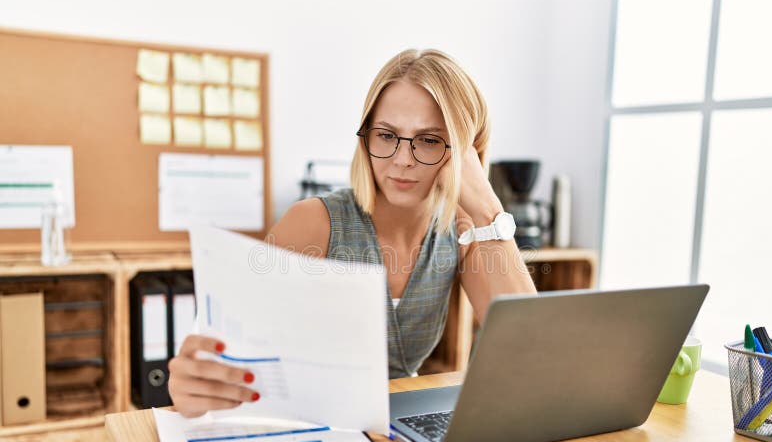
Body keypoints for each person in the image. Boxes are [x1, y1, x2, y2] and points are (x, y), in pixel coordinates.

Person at [168, 49, 537, 417]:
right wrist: (191, 382)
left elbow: (530, 346)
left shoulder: (465, 232)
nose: (402, 159)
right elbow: (218, 353)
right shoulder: (315, 223)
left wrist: (489, 210)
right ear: (365, 139)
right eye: (386, 135)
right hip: (309, 426)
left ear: (464, 152)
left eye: (429, 140)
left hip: (396, 428)